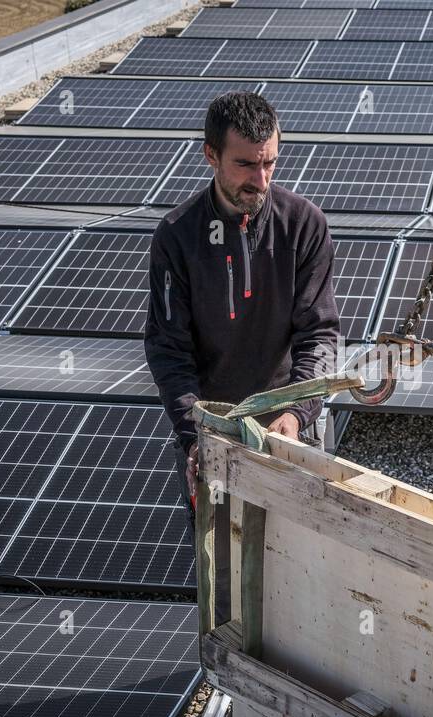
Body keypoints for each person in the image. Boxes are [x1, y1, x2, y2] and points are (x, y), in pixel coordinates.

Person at [144, 91, 339, 524]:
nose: (261, 180)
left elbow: (319, 333)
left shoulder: (304, 225)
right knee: (224, 568)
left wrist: (297, 414)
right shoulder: (177, 237)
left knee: (305, 558)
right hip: (213, 431)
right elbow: (168, 350)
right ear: (210, 155)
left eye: (269, 162)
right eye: (246, 165)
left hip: (291, 427)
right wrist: (197, 434)